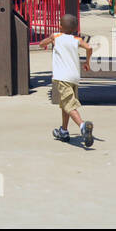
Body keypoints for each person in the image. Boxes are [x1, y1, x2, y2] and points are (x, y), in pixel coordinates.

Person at [39, 13, 94, 146]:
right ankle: (63, 131)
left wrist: (47, 42)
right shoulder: (77, 39)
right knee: (65, 103)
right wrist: (87, 62)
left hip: (61, 77)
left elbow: (41, 44)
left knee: (69, 104)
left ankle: (82, 126)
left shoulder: (56, 36)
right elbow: (89, 48)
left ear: (60, 26)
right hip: (74, 77)